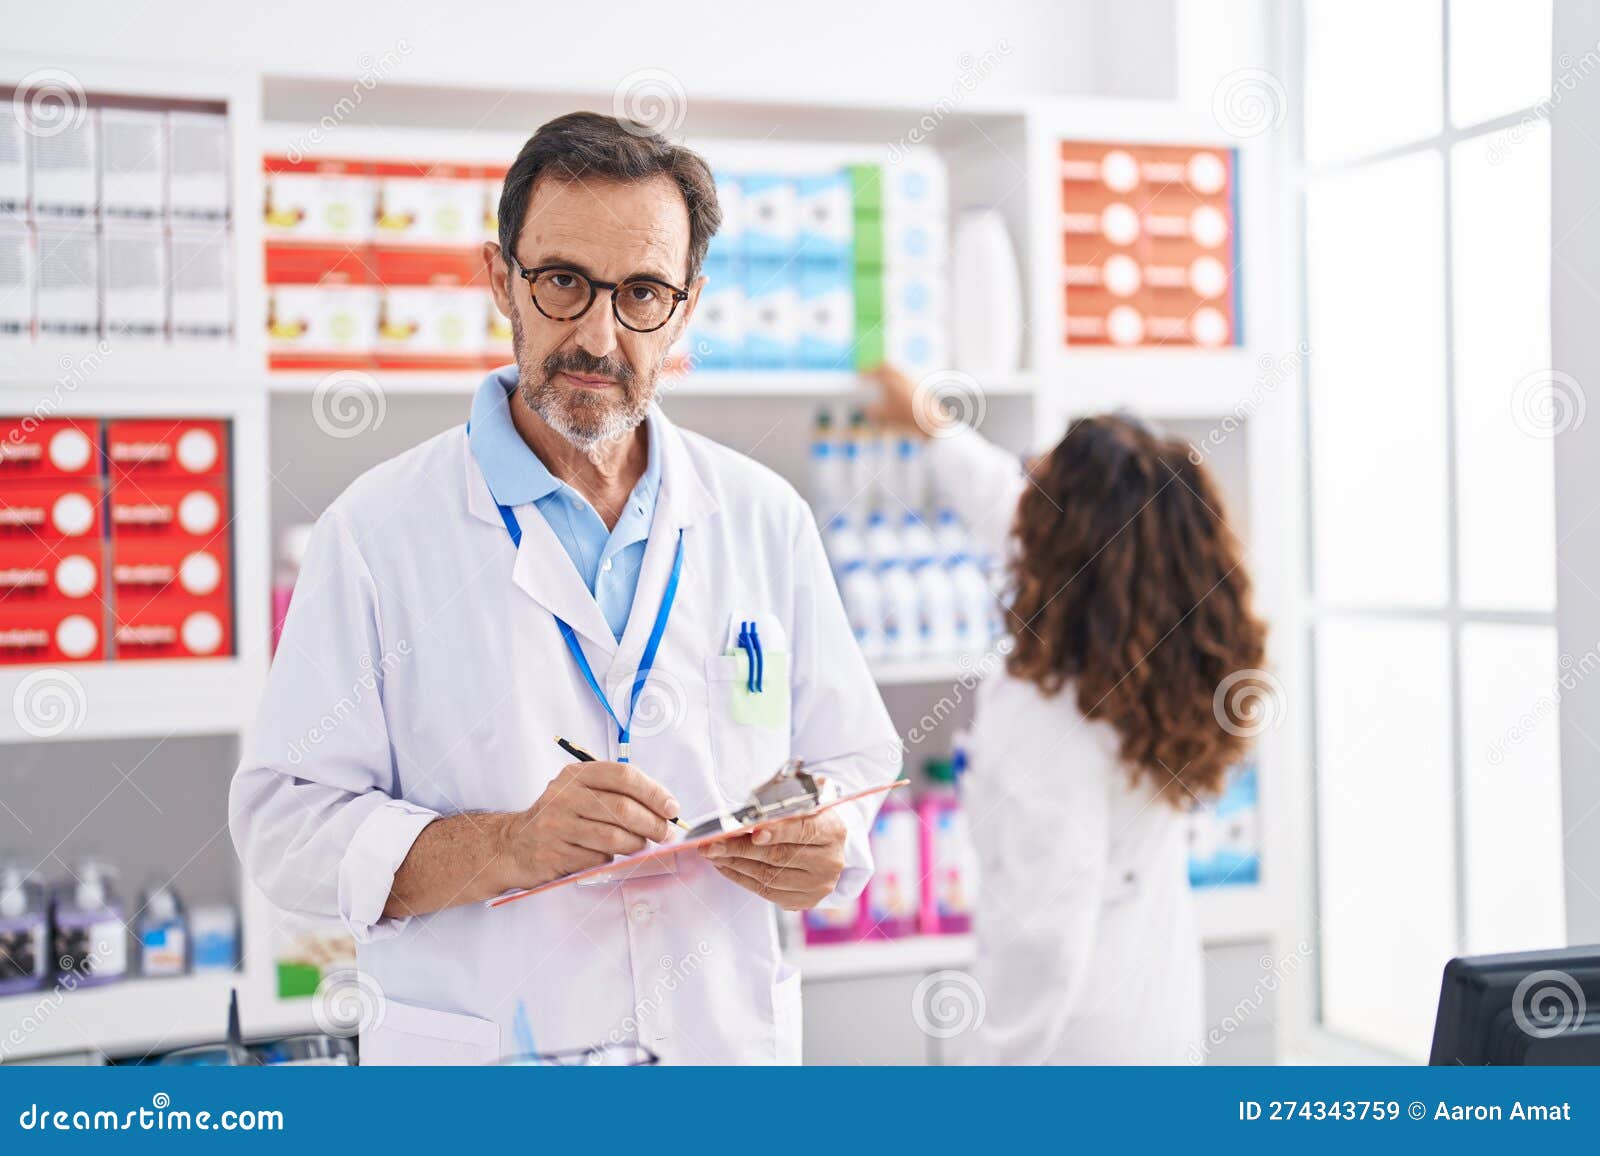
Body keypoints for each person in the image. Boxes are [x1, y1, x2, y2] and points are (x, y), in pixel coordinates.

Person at [230, 113, 899, 1065]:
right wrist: (507, 845)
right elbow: (284, 828)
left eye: (641, 294)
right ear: (500, 277)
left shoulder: (762, 515)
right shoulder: (377, 532)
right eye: (562, 283)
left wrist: (822, 840)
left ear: (687, 306)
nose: (597, 333)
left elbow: (855, 760)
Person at [870, 366, 1268, 1063]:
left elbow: (1041, 942)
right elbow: (1007, 510)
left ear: (1061, 539)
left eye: (1037, 483)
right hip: (1154, 1013)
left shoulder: (1048, 717)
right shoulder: (1152, 659)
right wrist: (932, 424)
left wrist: (990, 1072)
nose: (1021, 492)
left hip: (1067, 1047)